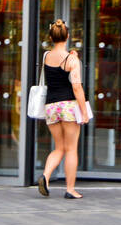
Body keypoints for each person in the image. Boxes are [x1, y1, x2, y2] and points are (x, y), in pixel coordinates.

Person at [37, 19, 90, 199]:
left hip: (51, 106)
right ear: (67, 36)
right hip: (68, 106)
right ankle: (70, 189)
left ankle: (45, 175)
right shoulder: (72, 60)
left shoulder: (45, 56)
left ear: (51, 37)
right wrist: (83, 112)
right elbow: (77, 87)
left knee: (59, 147)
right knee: (71, 149)